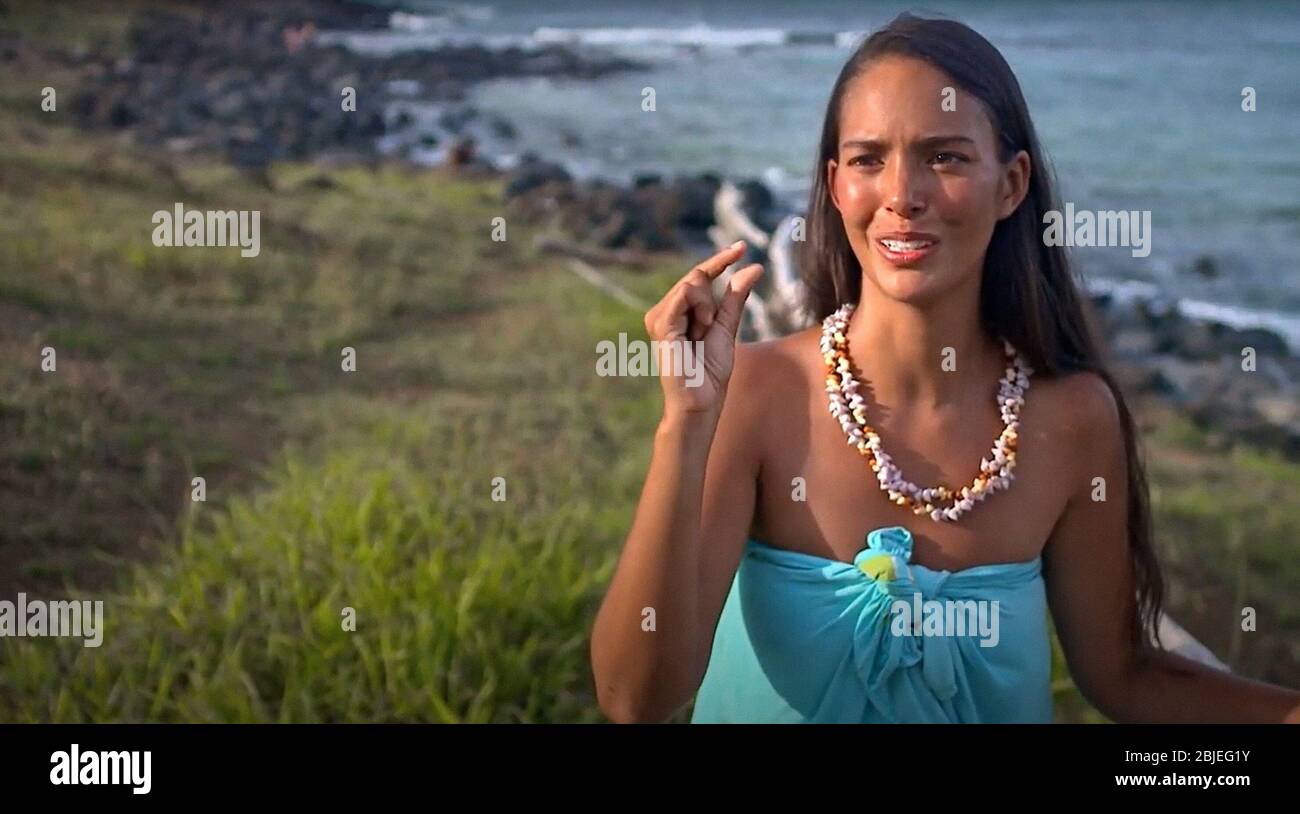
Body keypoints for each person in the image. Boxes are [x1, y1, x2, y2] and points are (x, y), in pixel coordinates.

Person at [588, 13, 1300, 724]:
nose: (903, 195)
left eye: (947, 157)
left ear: (1012, 185)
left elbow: (1123, 676)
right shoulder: (758, 393)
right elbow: (634, 699)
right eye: (869, 159)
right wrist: (685, 426)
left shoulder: (1072, 418)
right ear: (837, 188)